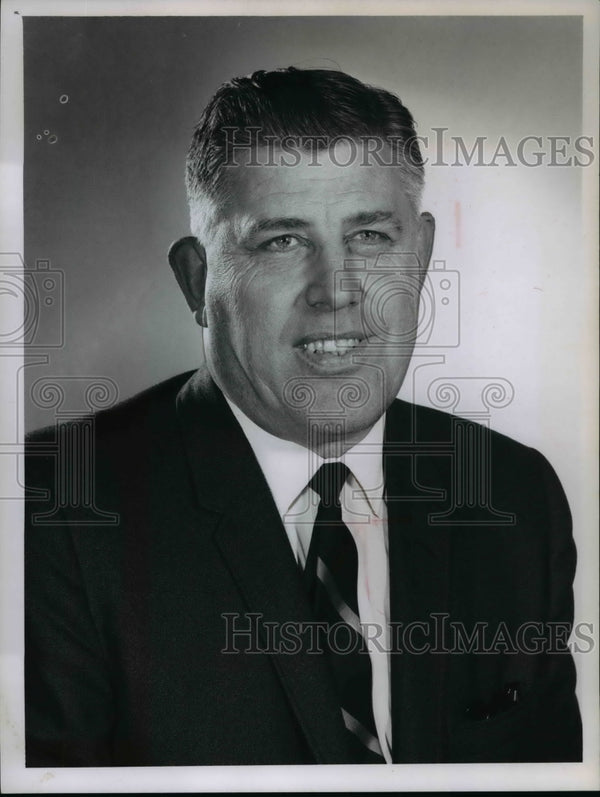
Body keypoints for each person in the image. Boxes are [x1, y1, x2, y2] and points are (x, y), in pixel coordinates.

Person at [25, 67, 582, 766]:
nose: (336, 292)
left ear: (423, 255)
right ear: (197, 280)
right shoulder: (55, 512)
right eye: (281, 241)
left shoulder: (514, 495)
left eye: (372, 236)